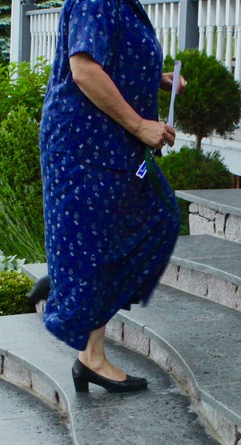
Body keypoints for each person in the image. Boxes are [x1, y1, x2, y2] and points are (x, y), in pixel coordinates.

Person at [34, 0, 185, 393]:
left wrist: (158, 77)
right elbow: (84, 70)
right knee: (113, 242)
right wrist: (140, 126)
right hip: (84, 147)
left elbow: (112, 60)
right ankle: (91, 357)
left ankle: (69, 277)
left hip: (110, 148)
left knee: (158, 218)